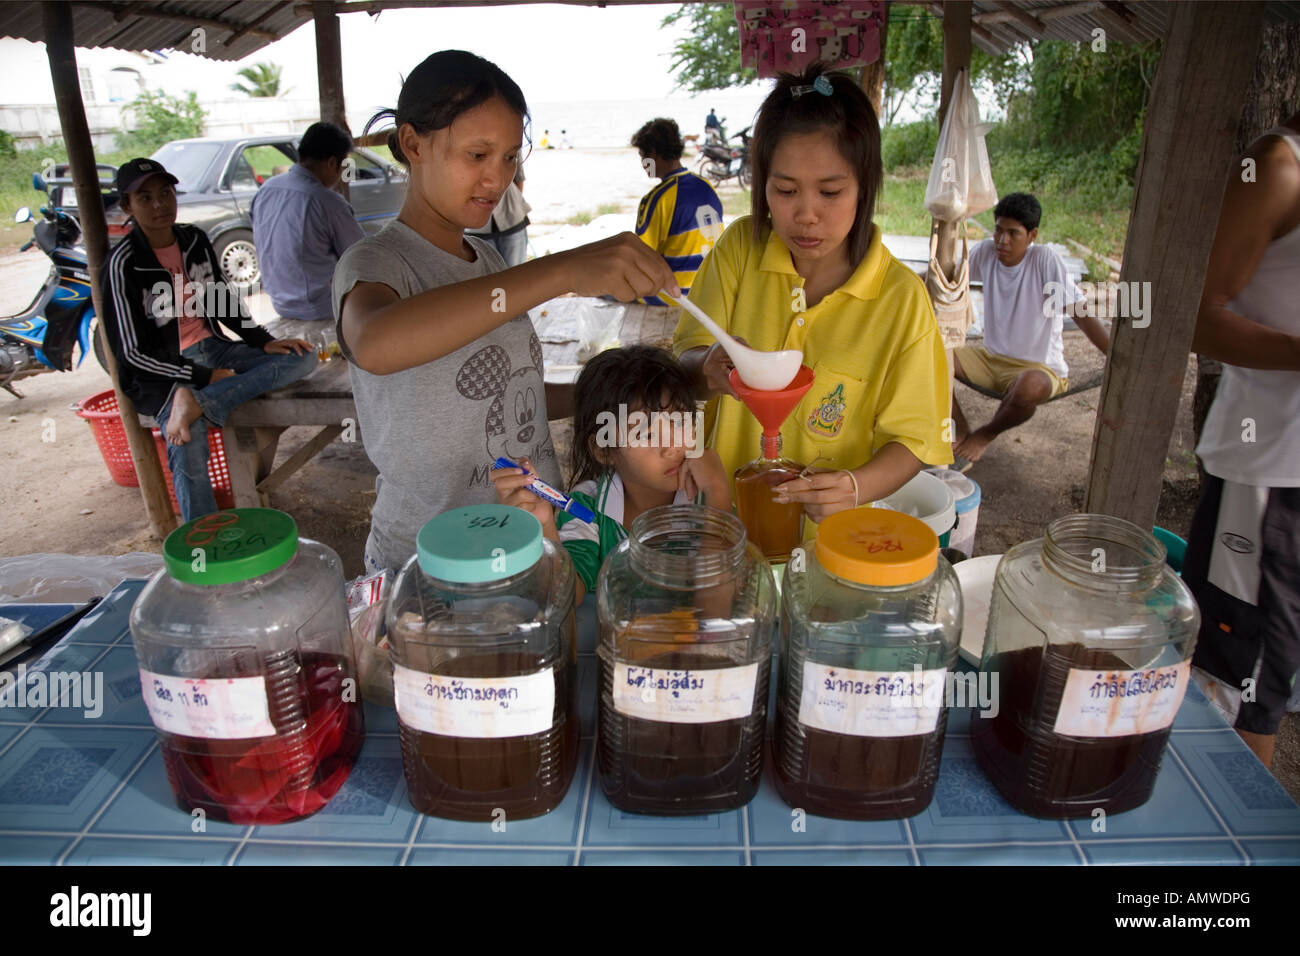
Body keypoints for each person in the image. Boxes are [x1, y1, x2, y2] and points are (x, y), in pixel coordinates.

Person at [334, 50, 677, 573]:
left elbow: (513, 397)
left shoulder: (487, 259)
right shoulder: (377, 262)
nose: (497, 179)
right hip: (436, 560)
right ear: (412, 143)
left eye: (511, 158)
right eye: (477, 155)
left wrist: (666, 389)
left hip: (532, 540)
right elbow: (376, 343)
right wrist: (562, 271)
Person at [674, 64, 952, 535]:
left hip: (830, 546)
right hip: (726, 529)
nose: (806, 215)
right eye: (785, 191)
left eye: (830, 191)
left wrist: (856, 486)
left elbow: (917, 438)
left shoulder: (901, 300)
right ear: (762, 185)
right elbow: (683, 361)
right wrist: (707, 366)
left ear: (865, 187)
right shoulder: (741, 249)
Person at [101, 158, 317, 520]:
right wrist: (194, 377)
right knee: (186, 440)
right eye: (145, 198)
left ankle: (198, 403)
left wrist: (261, 340)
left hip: (214, 349)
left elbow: (221, 299)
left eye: (165, 193)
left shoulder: (194, 240)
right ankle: (201, 540)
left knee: (303, 357)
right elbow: (130, 353)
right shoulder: (123, 262)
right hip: (166, 372)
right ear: (127, 206)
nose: (159, 205)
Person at [1183, 110, 1300, 769]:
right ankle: (1221, 845)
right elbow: (1201, 318)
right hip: (1271, 474)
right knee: (1241, 686)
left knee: (1276, 669)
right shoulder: (1279, 168)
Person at [492, 345, 730, 603]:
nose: (672, 446)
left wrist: (717, 495)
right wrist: (544, 525)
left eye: (680, 421)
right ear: (604, 451)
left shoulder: (708, 498)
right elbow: (566, 596)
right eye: (647, 434)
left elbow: (718, 614)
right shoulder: (586, 508)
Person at [950, 192, 1111, 467]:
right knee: (929, 354)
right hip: (991, 361)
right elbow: (946, 280)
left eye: (1014, 233)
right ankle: (961, 429)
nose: (1003, 241)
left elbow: (1081, 314)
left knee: (1030, 387)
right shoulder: (986, 253)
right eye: (998, 230)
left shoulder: (1044, 260)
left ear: (1032, 235)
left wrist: (1116, 356)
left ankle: (985, 434)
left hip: (1039, 370)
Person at [250, 121, 365, 322]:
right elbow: (358, 256)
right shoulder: (326, 201)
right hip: (321, 307)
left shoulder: (266, 190)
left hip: (280, 303)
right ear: (332, 163)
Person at [630, 117, 724, 306]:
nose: (642, 163)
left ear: (654, 154)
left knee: (610, 291)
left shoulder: (658, 198)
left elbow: (639, 260)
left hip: (679, 296)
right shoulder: (706, 186)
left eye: (643, 156)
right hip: (712, 290)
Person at [465, 163, 530, 266]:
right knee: (486, 275)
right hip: (474, 228)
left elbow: (519, 177)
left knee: (516, 274)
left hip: (512, 219)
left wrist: (512, 204)